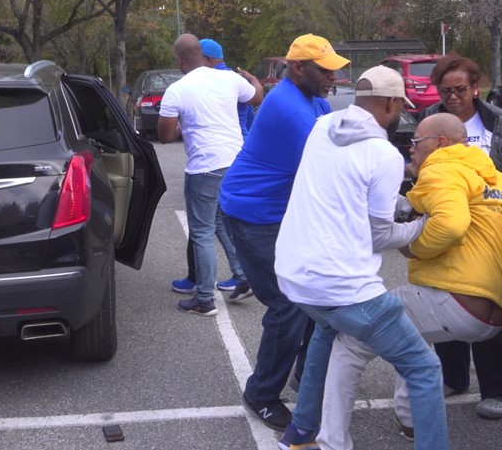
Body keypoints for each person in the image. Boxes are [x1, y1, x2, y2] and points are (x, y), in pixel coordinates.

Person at [319, 113, 502, 448]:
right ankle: (410, 421)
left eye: (416, 142)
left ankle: (331, 440)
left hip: (457, 300)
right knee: (412, 335)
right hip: (493, 314)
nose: (411, 149)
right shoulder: (497, 179)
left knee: (351, 339)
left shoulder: (441, 169)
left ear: (440, 143)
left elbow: (450, 224)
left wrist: (414, 248)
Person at [275, 66, 447, 450]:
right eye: (400, 106)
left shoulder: (322, 127)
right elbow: (379, 235)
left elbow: (346, 188)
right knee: (423, 368)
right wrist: (423, 226)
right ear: (391, 103)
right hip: (345, 288)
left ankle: (301, 431)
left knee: (326, 329)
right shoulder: (384, 154)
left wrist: (401, 204)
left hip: (294, 275)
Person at [219, 33, 348, 431]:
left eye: (334, 70)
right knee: (287, 303)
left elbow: (339, 139)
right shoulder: (287, 108)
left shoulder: (313, 99)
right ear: (298, 68)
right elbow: (330, 168)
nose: (333, 78)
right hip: (253, 214)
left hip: (282, 213)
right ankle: (261, 395)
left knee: (311, 294)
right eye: (325, 70)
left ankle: (305, 373)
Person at [419, 53, 502, 420]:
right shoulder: (429, 119)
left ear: (475, 88)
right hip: (446, 222)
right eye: (445, 91)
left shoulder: (500, 122)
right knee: (443, 300)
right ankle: (453, 377)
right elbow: (417, 168)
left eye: (459, 89)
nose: (452, 97)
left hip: (489, 230)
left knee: (485, 303)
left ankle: (500, 387)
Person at [158, 34, 263, 316]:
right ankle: (242, 276)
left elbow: (165, 136)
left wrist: (182, 125)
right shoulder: (229, 78)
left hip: (205, 167)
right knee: (218, 223)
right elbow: (256, 96)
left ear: (179, 60)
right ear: (202, 56)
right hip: (236, 164)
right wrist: (254, 80)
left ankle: (204, 298)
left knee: (202, 231)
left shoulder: (177, 89)